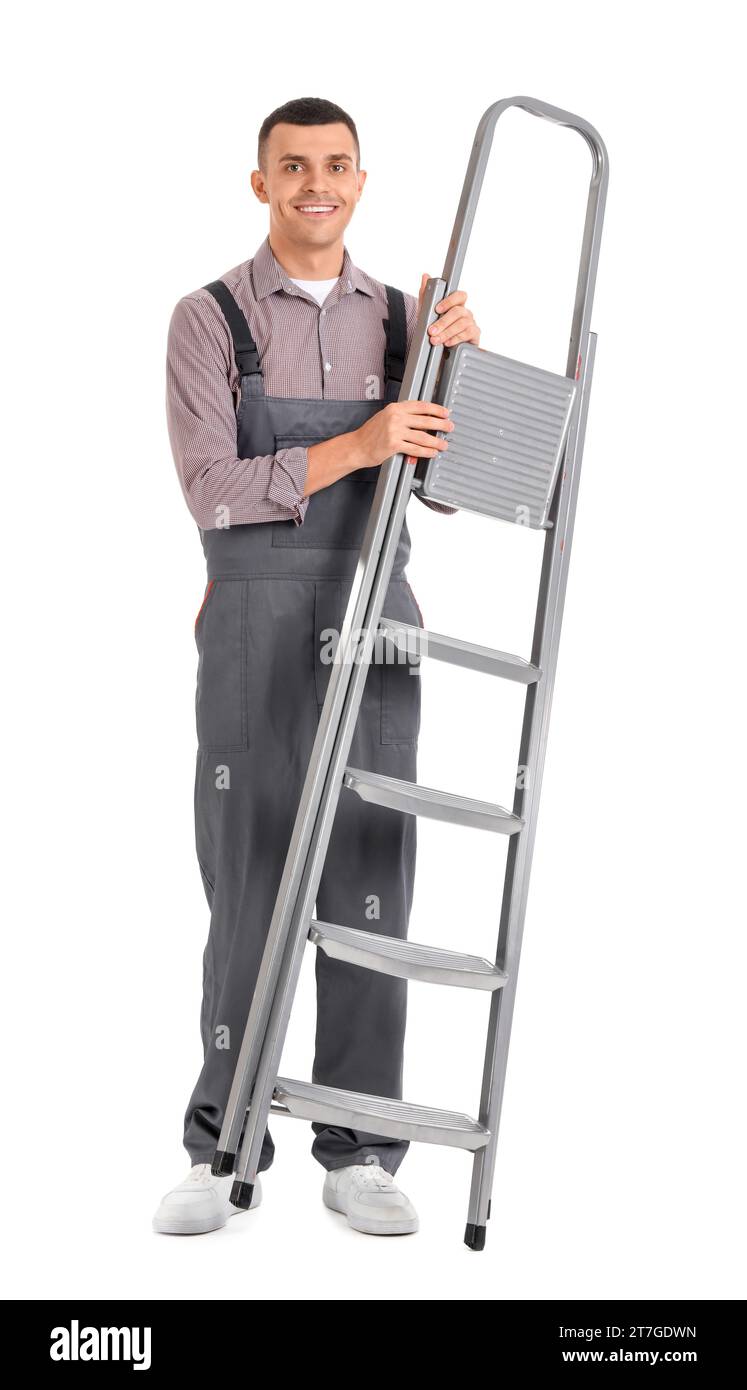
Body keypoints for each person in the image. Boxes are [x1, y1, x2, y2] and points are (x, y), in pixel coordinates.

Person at [153, 96, 480, 1238]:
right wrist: (358, 441)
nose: (315, 184)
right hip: (251, 618)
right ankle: (222, 1141)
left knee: (371, 883)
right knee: (248, 880)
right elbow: (213, 490)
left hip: (374, 611)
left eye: (335, 164)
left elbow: (446, 482)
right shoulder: (208, 320)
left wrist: (457, 377)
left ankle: (361, 1148)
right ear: (261, 184)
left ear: (360, 177)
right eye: (292, 167)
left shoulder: (405, 318)